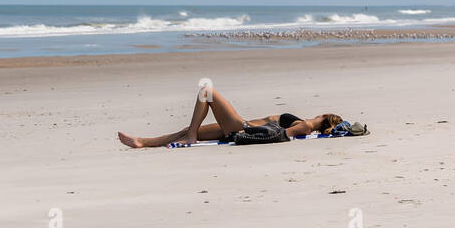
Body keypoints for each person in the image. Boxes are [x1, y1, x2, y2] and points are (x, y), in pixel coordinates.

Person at [117, 86, 343, 148]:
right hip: (239, 128)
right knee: (185, 130)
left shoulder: (304, 125)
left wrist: (244, 135)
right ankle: (142, 142)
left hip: (241, 127)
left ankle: (193, 136)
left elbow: (281, 136)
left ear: (323, 116)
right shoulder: (303, 124)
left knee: (207, 91)